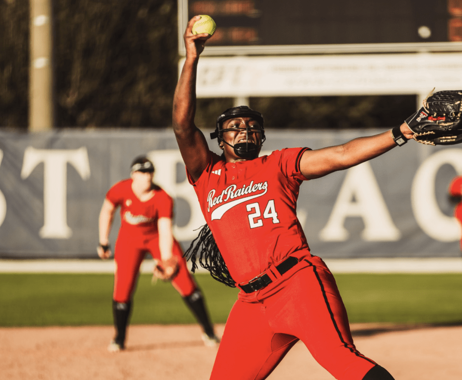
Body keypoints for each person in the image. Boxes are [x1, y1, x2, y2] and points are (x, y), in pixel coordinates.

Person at [170, 16, 419, 380]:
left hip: (297, 283)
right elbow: (181, 124)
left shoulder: (279, 164)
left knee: (343, 361)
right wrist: (192, 57)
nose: (245, 131)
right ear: (219, 139)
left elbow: (341, 154)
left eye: (252, 127)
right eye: (235, 127)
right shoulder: (206, 174)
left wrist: (402, 131)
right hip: (250, 304)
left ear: (262, 137)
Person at [97, 155, 220, 352]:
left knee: (186, 284)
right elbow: (107, 211)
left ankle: (209, 332)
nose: (147, 176)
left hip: (156, 239)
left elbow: (164, 230)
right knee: (122, 289)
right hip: (129, 241)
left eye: (150, 172)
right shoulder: (121, 189)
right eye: (142, 172)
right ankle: (119, 338)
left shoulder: (163, 197)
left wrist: (165, 260)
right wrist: (103, 241)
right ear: (133, 175)